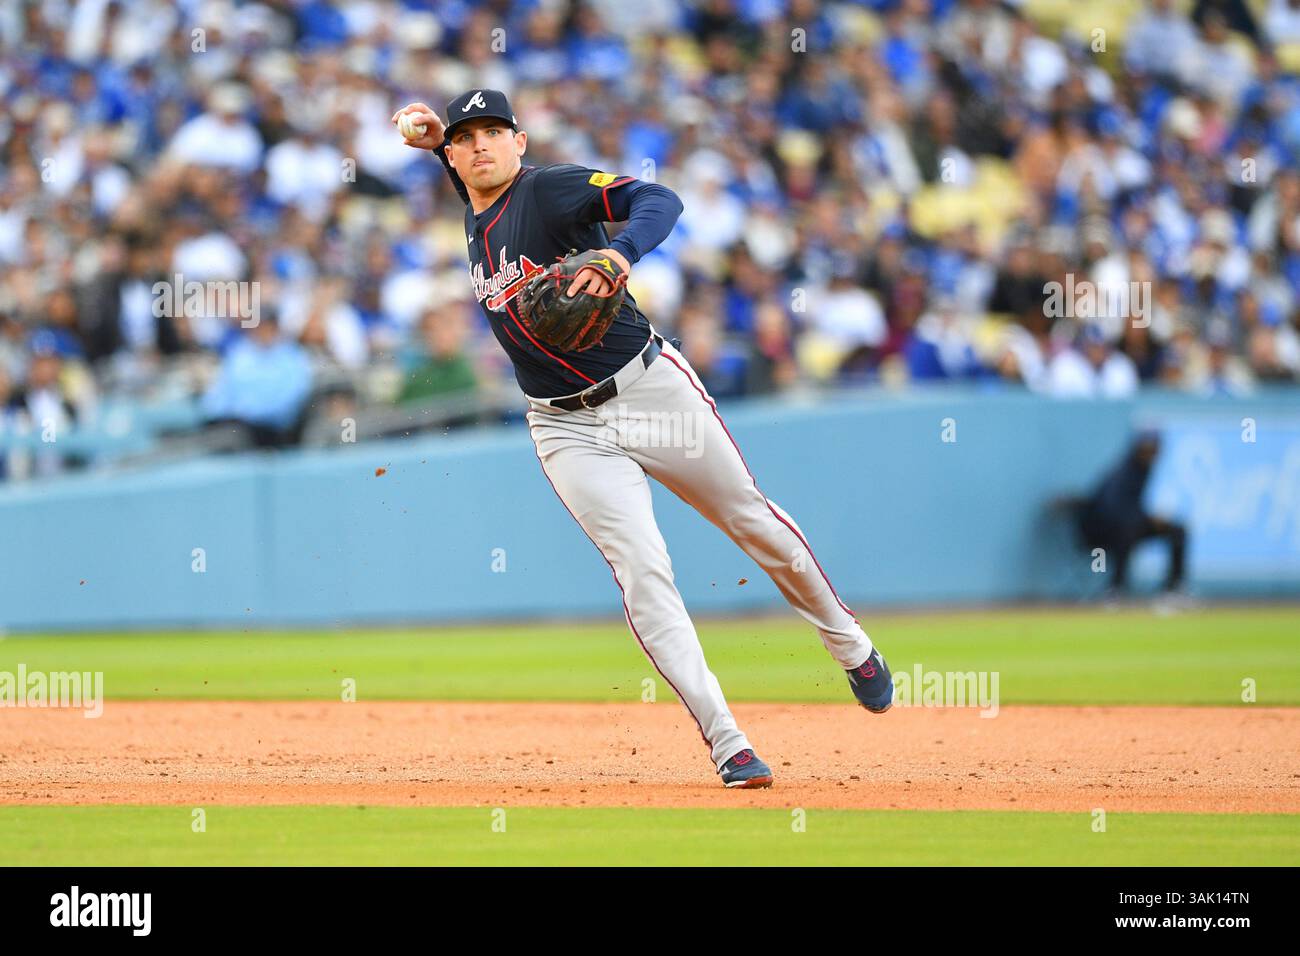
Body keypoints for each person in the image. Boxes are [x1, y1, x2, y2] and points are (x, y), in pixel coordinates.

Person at [391, 90, 894, 789]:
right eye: (466, 137)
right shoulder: (477, 210)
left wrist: (621, 255)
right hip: (565, 425)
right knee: (643, 571)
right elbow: (474, 188)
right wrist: (434, 141)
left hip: (650, 389)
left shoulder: (548, 191)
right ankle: (728, 743)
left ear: (521, 141)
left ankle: (851, 644)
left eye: (494, 132)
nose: (480, 145)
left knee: (751, 520)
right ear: (451, 153)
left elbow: (659, 200)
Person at [1079, 431, 1188, 598]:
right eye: (1147, 449)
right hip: (1100, 530)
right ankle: (1116, 589)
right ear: (1138, 449)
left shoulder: (1145, 470)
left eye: (1154, 450)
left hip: (1128, 525)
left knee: (1177, 530)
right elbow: (1114, 509)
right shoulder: (1124, 470)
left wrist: (1149, 519)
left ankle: (1174, 589)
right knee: (1127, 530)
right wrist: (1148, 519)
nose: (1151, 454)